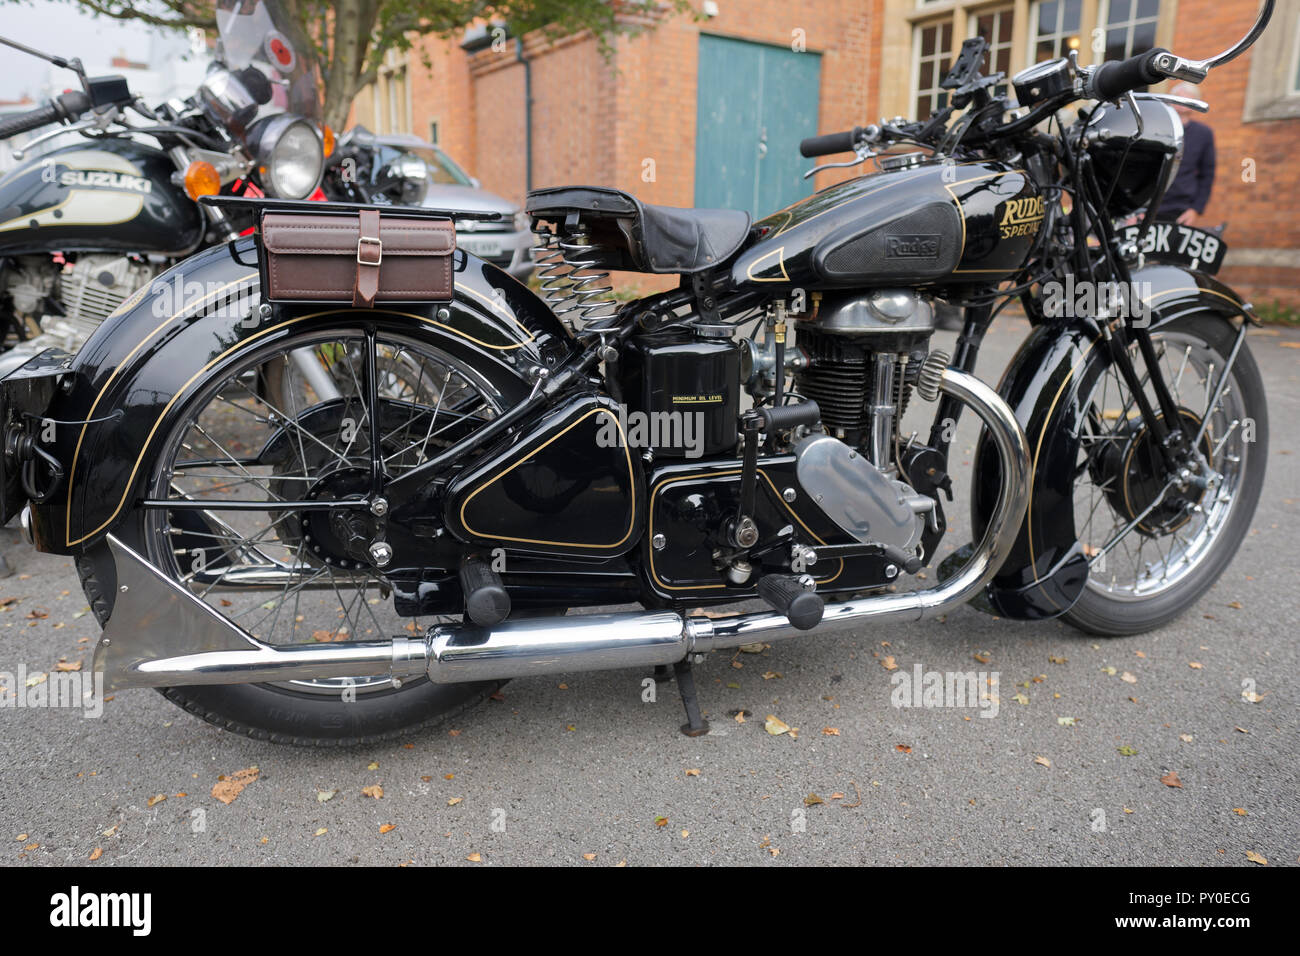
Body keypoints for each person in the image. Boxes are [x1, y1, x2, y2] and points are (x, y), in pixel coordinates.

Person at [1156, 82, 1216, 226]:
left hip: (1181, 209)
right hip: (1149, 205)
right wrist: (1136, 210)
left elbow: (1207, 175)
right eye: (1179, 98)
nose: (1182, 104)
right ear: (1170, 101)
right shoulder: (1156, 129)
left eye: (1188, 99)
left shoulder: (1204, 134)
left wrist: (1196, 209)